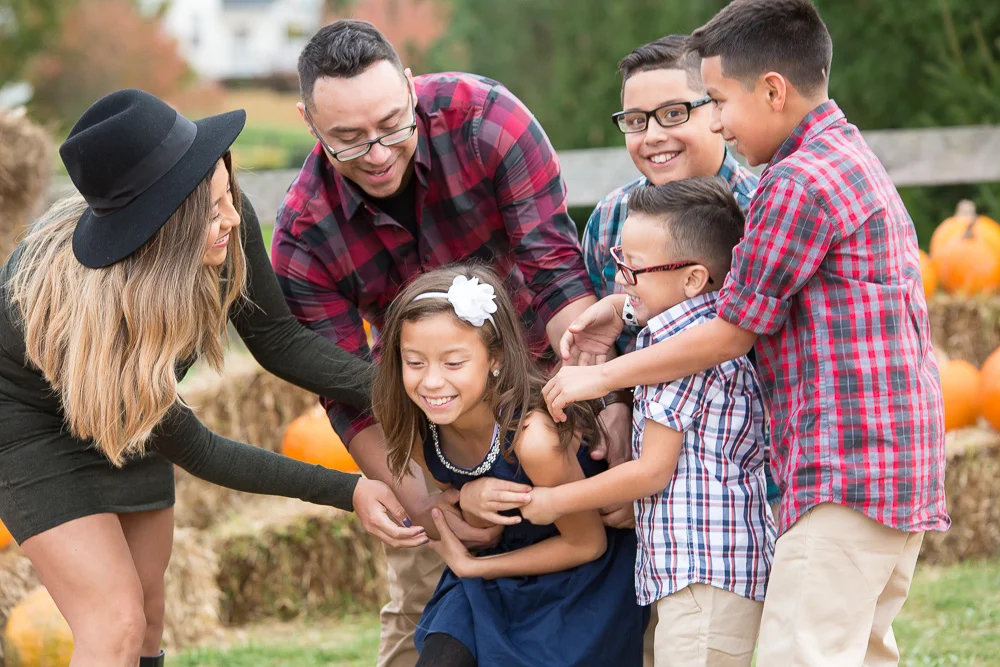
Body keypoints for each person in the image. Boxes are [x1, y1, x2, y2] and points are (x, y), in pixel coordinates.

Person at [541, 1, 949, 664]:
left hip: (842, 464)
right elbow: (735, 291)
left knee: (801, 652)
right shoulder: (845, 157)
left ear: (773, 90)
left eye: (718, 102)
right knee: (859, 652)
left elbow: (730, 329)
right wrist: (622, 309)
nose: (720, 120)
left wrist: (604, 374)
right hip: (889, 464)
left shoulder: (793, 183)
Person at [0, 89, 426, 667]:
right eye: (213, 210)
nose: (232, 217)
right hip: (29, 423)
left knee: (149, 616)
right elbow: (199, 448)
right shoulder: (93, 315)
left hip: (128, 407)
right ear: (161, 230)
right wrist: (346, 489)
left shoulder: (218, 212)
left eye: (229, 195)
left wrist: (407, 391)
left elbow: (278, 340)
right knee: (115, 620)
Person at [271, 20, 631, 666]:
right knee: (423, 621)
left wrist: (603, 401)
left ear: (411, 89)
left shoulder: (488, 124)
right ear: (309, 121)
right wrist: (435, 509)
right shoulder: (304, 236)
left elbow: (554, 274)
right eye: (348, 140)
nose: (378, 153)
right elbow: (350, 394)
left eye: (392, 125)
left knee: (605, 607)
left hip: (548, 405)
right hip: (435, 435)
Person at [523, 178, 774, 666]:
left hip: (701, 570)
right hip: (718, 565)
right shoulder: (705, 330)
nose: (620, 280)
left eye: (633, 269)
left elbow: (651, 471)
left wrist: (553, 500)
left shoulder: (670, 360)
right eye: (620, 262)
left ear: (694, 279)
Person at [371, 265, 646, 667]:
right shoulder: (418, 423)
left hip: (574, 587)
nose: (430, 382)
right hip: (488, 581)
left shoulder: (533, 437)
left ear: (494, 359)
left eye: (453, 363)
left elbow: (588, 543)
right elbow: (459, 509)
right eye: (415, 362)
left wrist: (473, 566)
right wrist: (464, 498)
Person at [583, 32, 779, 515]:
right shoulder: (611, 220)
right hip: (644, 486)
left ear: (715, 110)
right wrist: (614, 407)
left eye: (674, 114)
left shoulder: (763, 213)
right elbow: (601, 337)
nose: (652, 136)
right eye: (635, 121)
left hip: (755, 485)